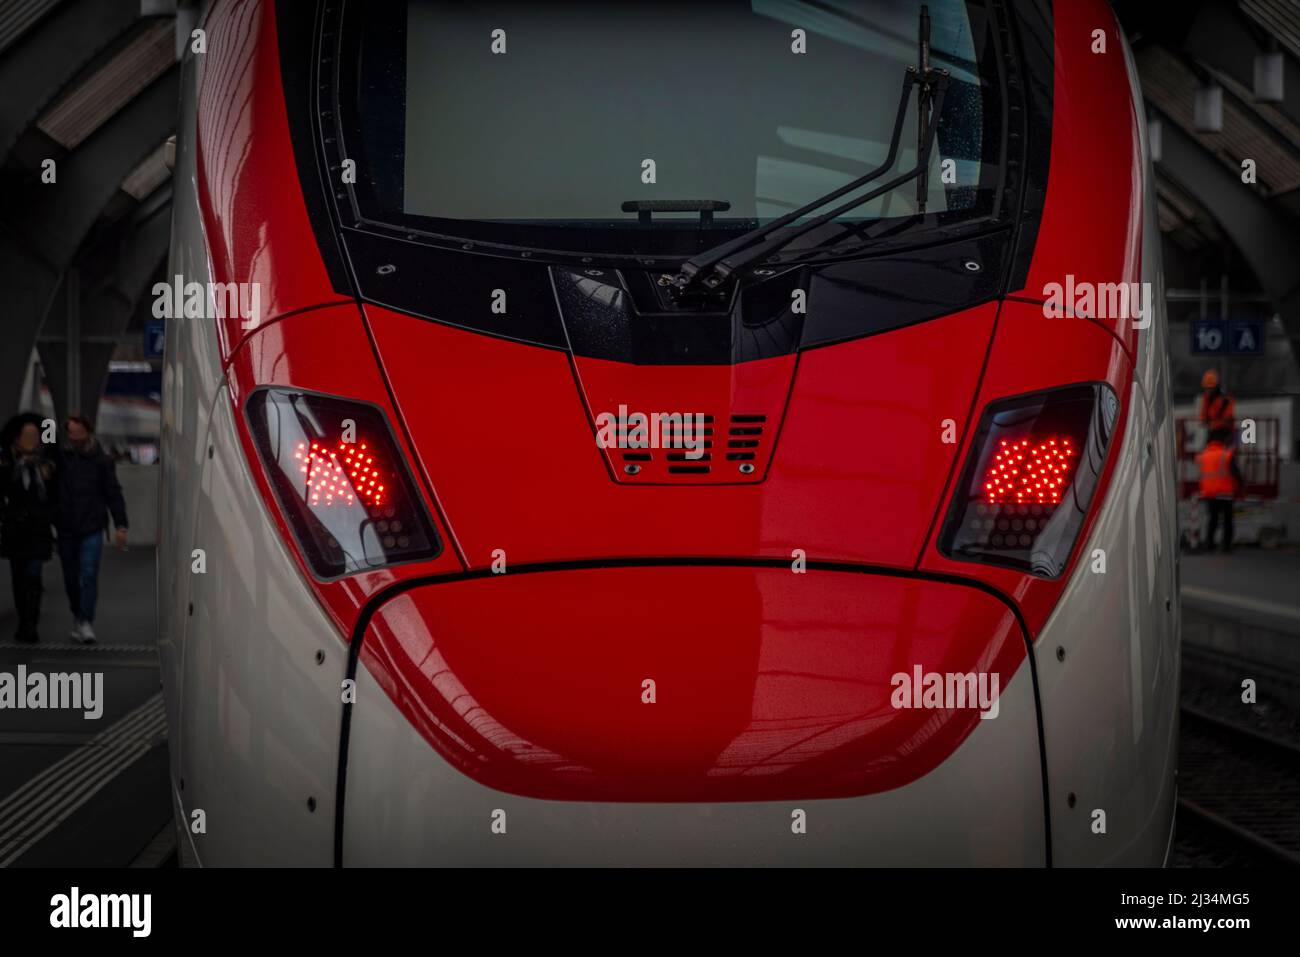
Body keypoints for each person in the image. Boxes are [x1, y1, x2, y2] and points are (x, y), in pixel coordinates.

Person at [55, 414, 128, 645]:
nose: (74, 437)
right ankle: (78, 616)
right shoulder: (61, 459)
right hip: (66, 527)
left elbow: (113, 493)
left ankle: (85, 620)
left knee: (88, 574)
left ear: (88, 432)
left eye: (78, 432)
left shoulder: (102, 461)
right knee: (70, 577)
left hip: (92, 527)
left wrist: (121, 524)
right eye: (71, 433)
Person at [0, 414, 58, 643]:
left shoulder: (46, 468)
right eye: (27, 436)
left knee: (33, 575)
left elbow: (55, 496)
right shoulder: (8, 467)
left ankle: (30, 623)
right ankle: (24, 617)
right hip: (15, 530)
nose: (31, 440)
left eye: (35, 436)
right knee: (18, 577)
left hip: (38, 529)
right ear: (16, 440)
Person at [1196, 427, 1242, 553]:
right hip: (1225, 493)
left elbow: (1201, 474)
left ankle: (1209, 544)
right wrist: (1241, 486)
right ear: (1223, 441)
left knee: (1213, 519)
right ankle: (1226, 546)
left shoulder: (1203, 455)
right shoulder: (1226, 454)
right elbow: (1236, 473)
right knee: (1227, 519)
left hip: (1209, 493)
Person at [1197, 369, 1235, 434]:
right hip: (1211, 431)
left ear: (1216, 386)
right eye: (1206, 388)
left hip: (1224, 432)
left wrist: (1213, 424)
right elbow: (1203, 416)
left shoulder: (1226, 399)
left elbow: (1227, 418)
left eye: (1210, 388)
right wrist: (1203, 421)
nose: (1208, 391)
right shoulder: (1206, 398)